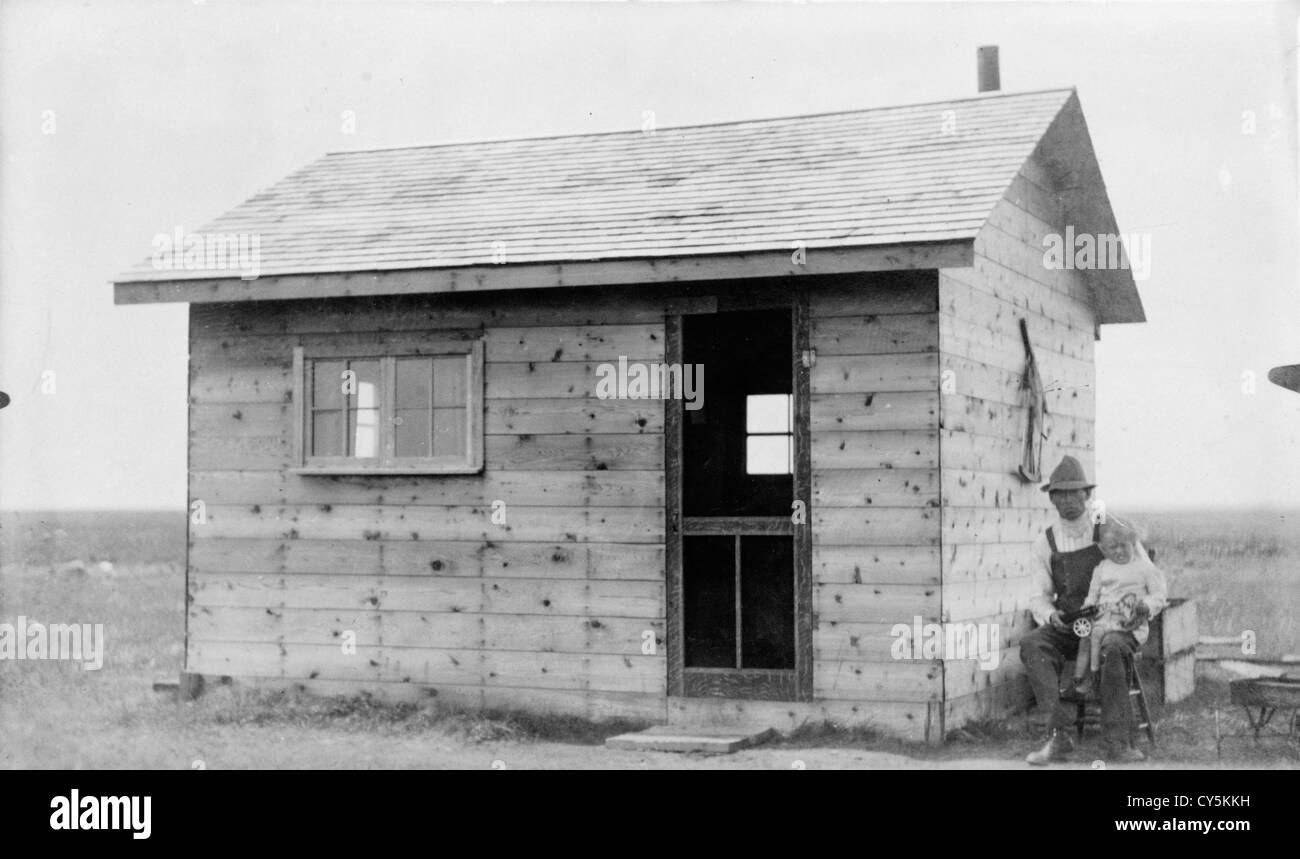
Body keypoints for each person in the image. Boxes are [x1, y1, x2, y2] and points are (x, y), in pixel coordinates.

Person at [1020, 456, 1154, 765]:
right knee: (1032, 643)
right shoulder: (1045, 541)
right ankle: (1058, 737)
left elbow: (1147, 577)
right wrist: (1050, 615)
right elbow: (1037, 596)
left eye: (1074, 492)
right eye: (1060, 494)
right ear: (1051, 498)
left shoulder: (1111, 531)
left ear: (1087, 494)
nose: (1068, 500)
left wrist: (1138, 609)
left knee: (1113, 647)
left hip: (1114, 624)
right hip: (1072, 627)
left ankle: (1117, 743)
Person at [1071, 518, 1168, 700]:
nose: (1118, 551)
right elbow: (1092, 595)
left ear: (1133, 543)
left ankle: (1110, 700)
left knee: (1111, 645)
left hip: (1128, 623)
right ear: (1103, 549)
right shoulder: (1101, 569)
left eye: (1123, 546)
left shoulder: (1144, 569)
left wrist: (1145, 606)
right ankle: (1083, 679)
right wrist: (1088, 607)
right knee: (1085, 638)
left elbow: (1159, 595)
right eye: (1112, 547)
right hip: (1102, 619)